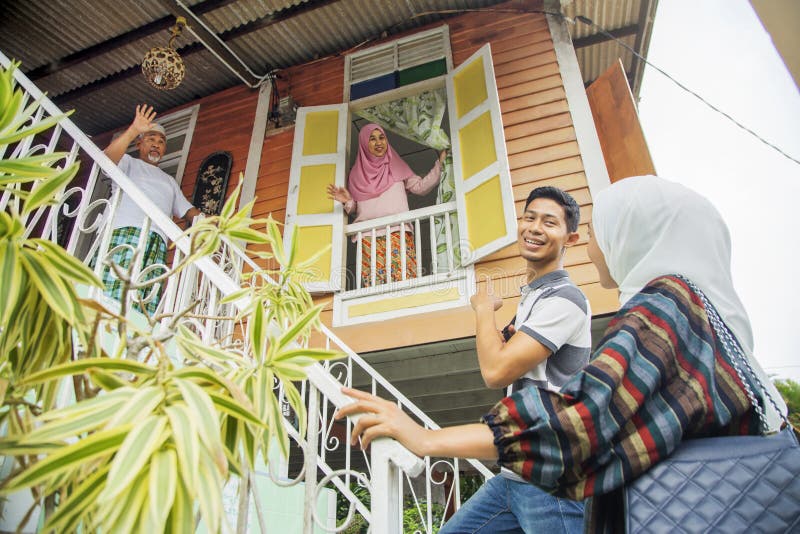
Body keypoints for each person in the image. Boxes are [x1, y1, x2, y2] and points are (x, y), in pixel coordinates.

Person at [334, 176, 788, 532]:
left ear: (631, 235)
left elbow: (577, 421)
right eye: (529, 218)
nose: (594, 246)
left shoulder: (660, 307)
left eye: (596, 231)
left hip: (551, 485)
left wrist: (425, 438)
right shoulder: (695, 312)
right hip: (516, 481)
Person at [434, 186, 589, 532]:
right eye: (529, 217)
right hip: (513, 475)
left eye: (549, 222)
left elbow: (495, 370)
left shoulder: (565, 299)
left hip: (552, 478)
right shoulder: (532, 299)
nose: (534, 227)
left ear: (570, 238)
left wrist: (483, 310)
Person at [101, 104, 201, 315]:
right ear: (140, 144)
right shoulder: (128, 162)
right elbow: (106, 160)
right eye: (151, 139)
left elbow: (187, 211)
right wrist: (133, 130)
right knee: (113, 291)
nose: (156, 145)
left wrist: (212, 222)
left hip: (156, 241)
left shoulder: (168, 181)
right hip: (125, 232)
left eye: (161, 142)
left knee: (142, 298)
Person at [327, 123, 446, 288]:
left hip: (397, 230)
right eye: (372, 139)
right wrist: (348, 201)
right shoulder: (355, 174)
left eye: (382, 138)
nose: (379, 143)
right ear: (363, 143)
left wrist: (439, 165)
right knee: (376, 284)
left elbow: (420, 187)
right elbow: (357, 210)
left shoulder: (396, 165)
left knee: (404, 279)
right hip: (368, 235)